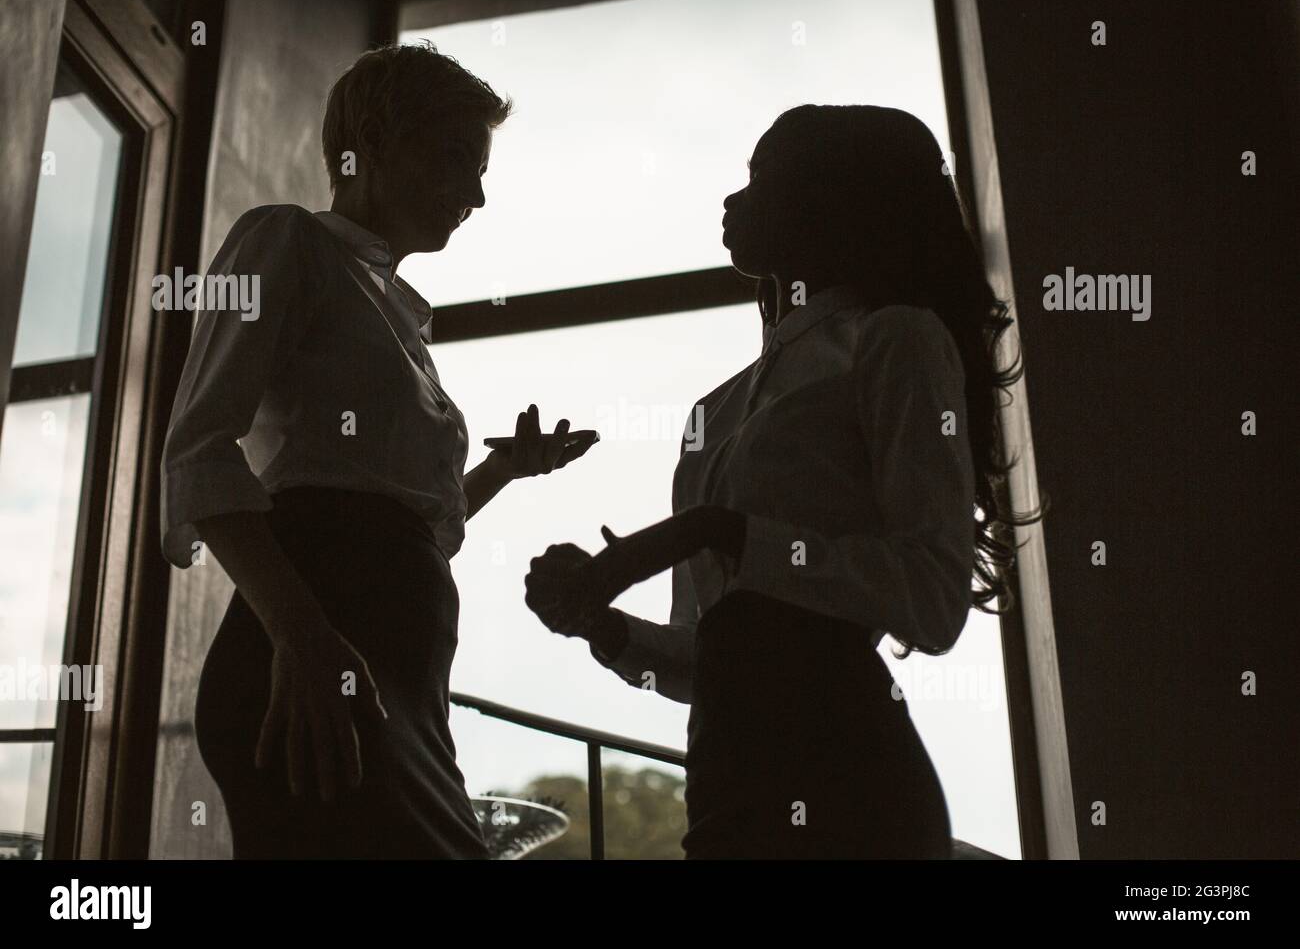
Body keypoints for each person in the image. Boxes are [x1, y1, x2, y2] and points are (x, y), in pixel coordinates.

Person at [525, 104, 1029, 859]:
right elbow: (707, 657)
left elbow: (932, 598)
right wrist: (600, 621)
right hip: (728, 786)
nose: (734, 201)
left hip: (848, 781)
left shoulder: (894, 340)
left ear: (834, 199)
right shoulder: (715, 411)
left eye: (763, 179)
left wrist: (712, 530)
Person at [160, 42, 593, 858]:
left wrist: (502, 470)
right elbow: (199, 449)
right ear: (374, 143)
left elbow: (401, 525)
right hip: (321, 658)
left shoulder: (396, 311)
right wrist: (303, 638)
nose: (475, 194)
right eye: (456, 158)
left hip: (395, 680)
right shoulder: (285, 242)